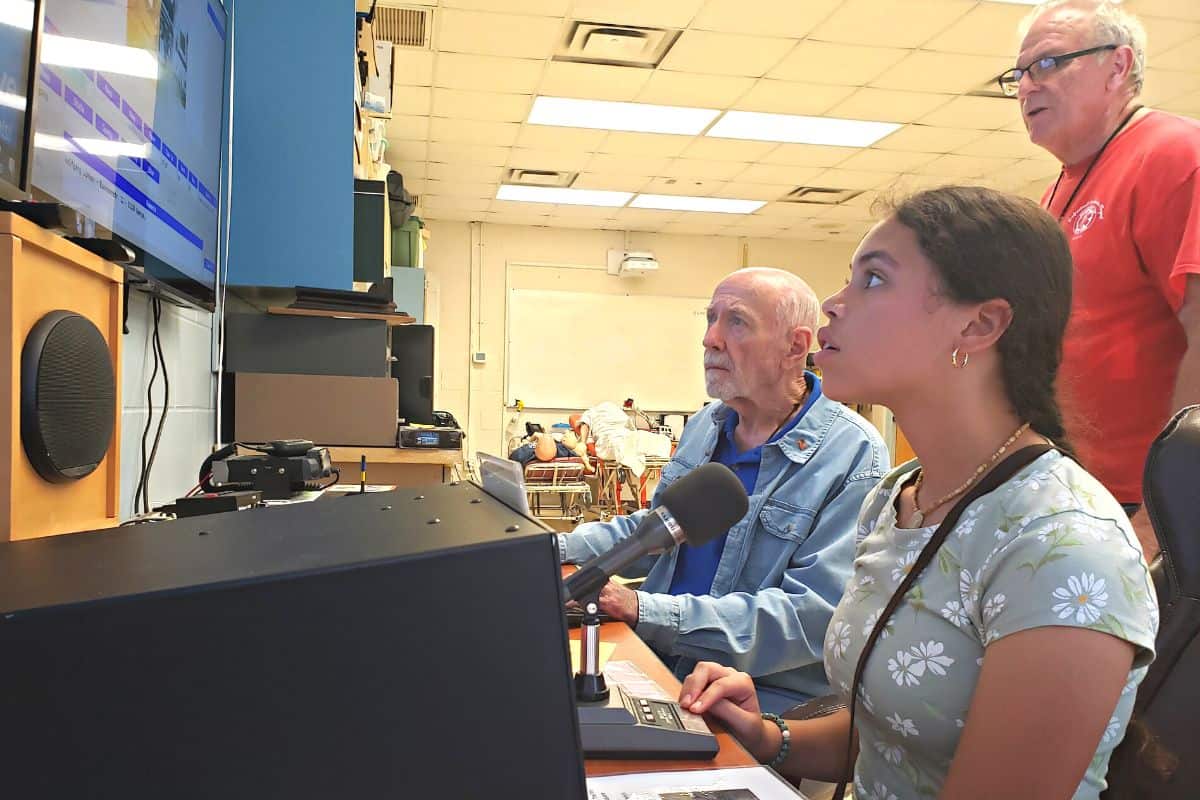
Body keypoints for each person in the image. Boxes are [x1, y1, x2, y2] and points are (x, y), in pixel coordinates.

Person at [679, 187, 1158, 799]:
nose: (834, 304)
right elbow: (896, 730)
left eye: (874, 279)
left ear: (979, 325)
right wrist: (772, 737)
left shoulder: (1063, 545)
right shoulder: (898, 498)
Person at [559, 268, 890, 713]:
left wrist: (641, 608)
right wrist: (552, 548)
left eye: (736, 322)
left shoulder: (853, 454)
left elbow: (810, 616)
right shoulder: (706, 426)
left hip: (755, 700)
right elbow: (653, 531)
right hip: (657, 663)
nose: (710, 339)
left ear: (795, 346)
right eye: (710, 318)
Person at [1004, 0, 1200, 557]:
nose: (1027, 86)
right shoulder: (1060, 188)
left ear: (1118, 66)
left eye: (1047, 64)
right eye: (1018, 74)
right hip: (1086, 497)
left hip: (1157, 512)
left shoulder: (1174, 154)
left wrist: (1165, 515)